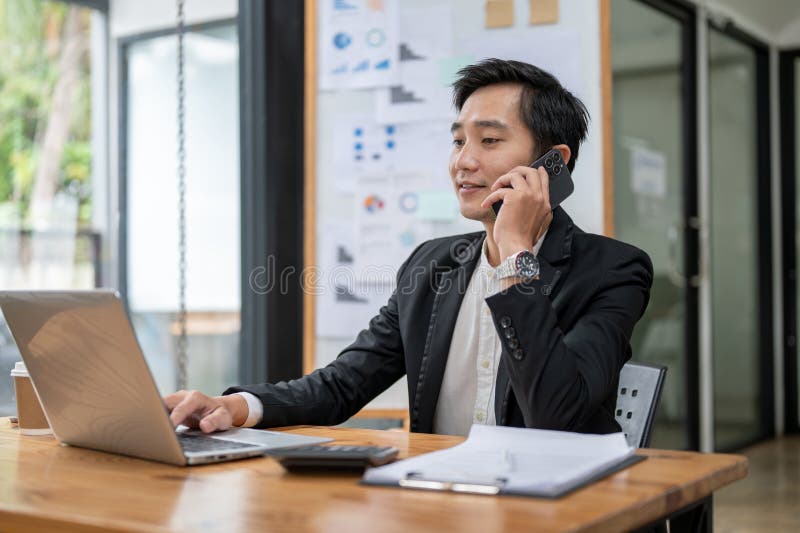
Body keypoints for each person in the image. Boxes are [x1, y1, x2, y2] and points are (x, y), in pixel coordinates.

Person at [165, 58, 653, 436]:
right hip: (440, 503)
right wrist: (235, 407)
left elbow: (557, 416)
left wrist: (517, 257)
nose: (463, 161)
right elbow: (343, 384)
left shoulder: (613, 270)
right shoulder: (433, 264)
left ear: (553, 163)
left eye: (488, 140)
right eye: (458, 141)